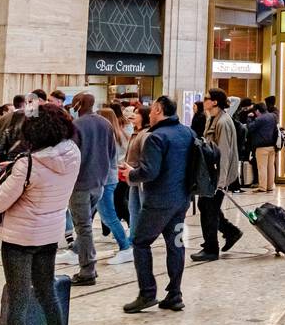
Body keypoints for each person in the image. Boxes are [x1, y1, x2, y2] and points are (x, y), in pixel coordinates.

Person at [0, 103, 80, 325]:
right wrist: (12, 171)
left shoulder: (29, 163)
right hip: (49, 234)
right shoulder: (72, 153)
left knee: (18, 299)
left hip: (20, 239)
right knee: (48, 293)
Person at [123, 96, 193, 313]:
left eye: (152, 109)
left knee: (140, 242)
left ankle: (147, 293)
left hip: (158, 202)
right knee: (176, 244)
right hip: (181, 200)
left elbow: (149, 172)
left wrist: (130, 174)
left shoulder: (156, 137)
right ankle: (175, 294)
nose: (150, 114)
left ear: (158, 110)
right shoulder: (187, 132)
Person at [63, 94, 115, 287]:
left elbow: (69, 155)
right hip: (98, 183)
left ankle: (87, 270)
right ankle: (86, 259)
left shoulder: (76, 126)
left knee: (83, 228)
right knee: (86, 226)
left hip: (80, 183)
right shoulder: (105, 124)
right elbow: (111, 152)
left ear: (79, 104)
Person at [194, 89, 243, 262]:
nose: (203, 101)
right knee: (206, 205)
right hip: (211, 173)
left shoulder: (223, 122)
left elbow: (224, 153)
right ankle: (230, 232)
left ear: (214, 102)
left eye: (206, 98)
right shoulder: (212, 119)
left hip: (218, 175)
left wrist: (220, 182)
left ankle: (211, 248)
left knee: (209, 209)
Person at [96, 108, 133, 264]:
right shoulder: (120, 134)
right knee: (104, 214)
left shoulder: (108, 136)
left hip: (107, 178)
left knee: (109, 215)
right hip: (114, 176)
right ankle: (78, 248)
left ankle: (125, 247)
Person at [247, 98, 279, 193]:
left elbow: (250, 128)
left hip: (262, 147)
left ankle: (262, 187)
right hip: (272, 146)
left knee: (262, 167)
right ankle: (270, 186)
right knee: (271, 167)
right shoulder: (273, 116)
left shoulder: (260, 119)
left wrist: (249, 118)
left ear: (257, 110)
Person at [0, 95, 26, 161]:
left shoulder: (3, 118)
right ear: (25, 103)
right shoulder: (28, 117)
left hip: (5, 157)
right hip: (22, 158)